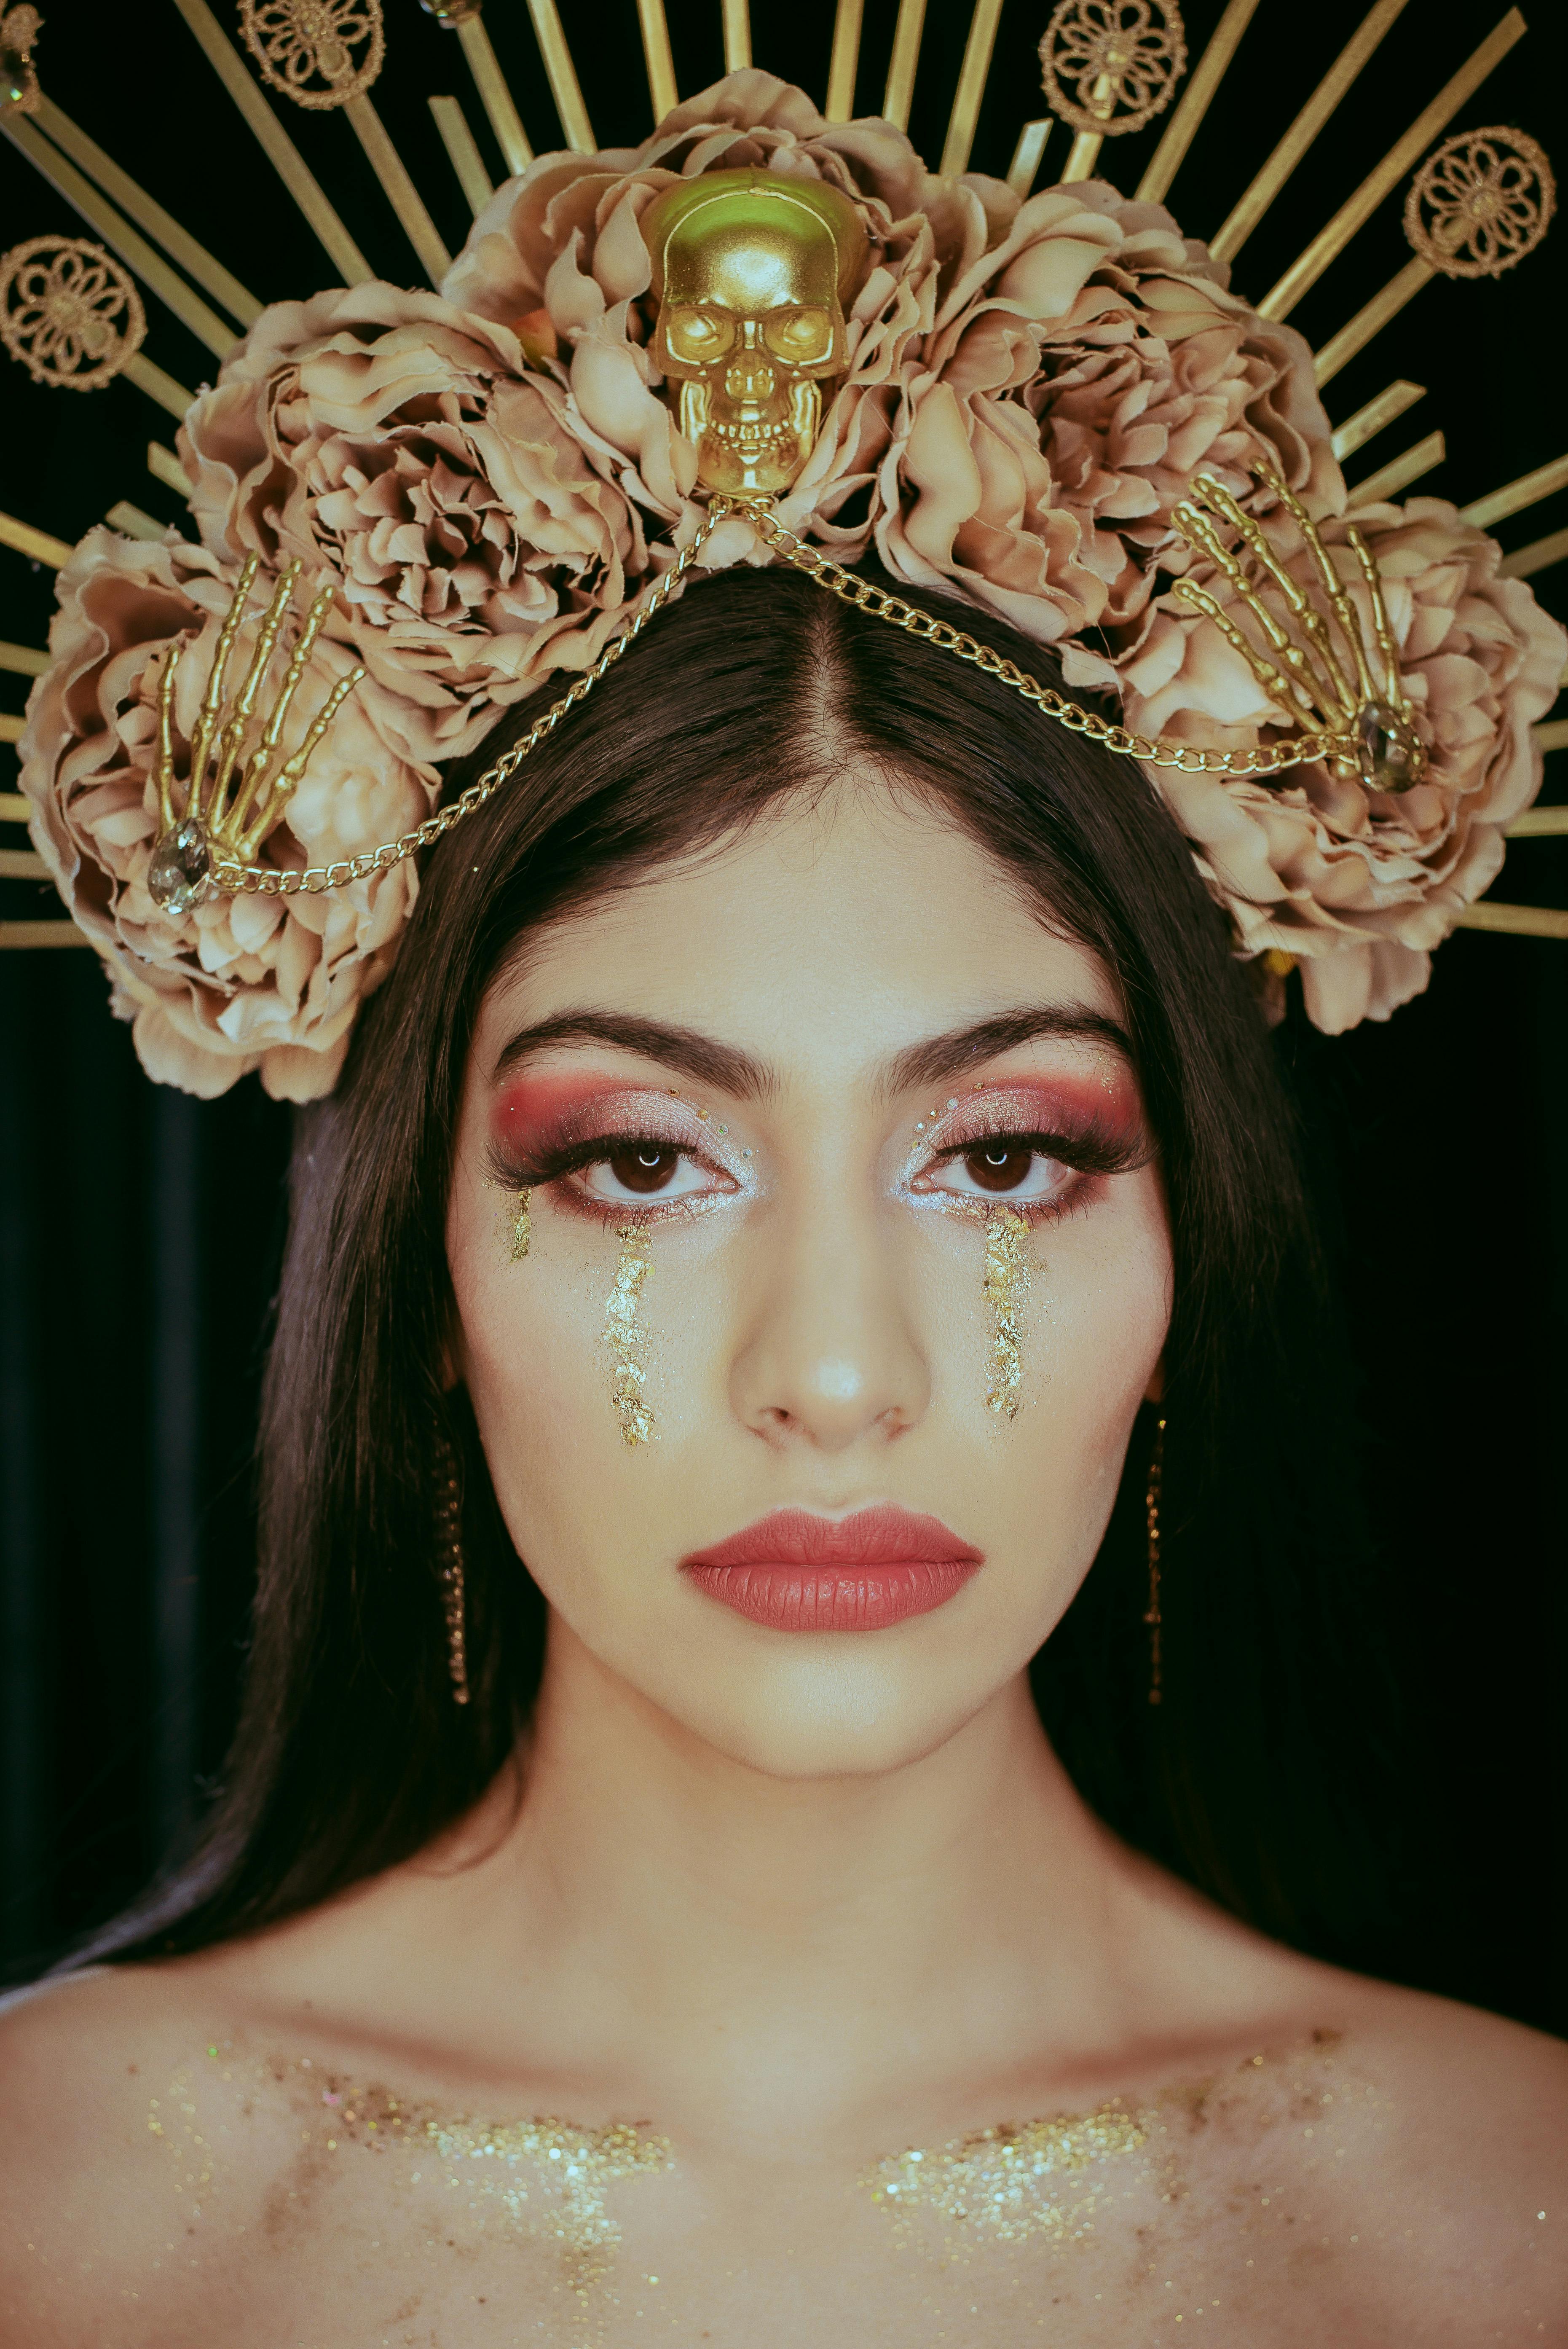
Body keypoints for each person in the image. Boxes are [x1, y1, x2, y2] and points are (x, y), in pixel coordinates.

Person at [4, 70, 1565, 2346]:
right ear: (424, 1264)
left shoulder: (1497, 2226)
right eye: (641, 1162)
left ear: (1188, 1244)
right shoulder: (58, 2222)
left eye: (1004, 1157)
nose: (835, 1373)